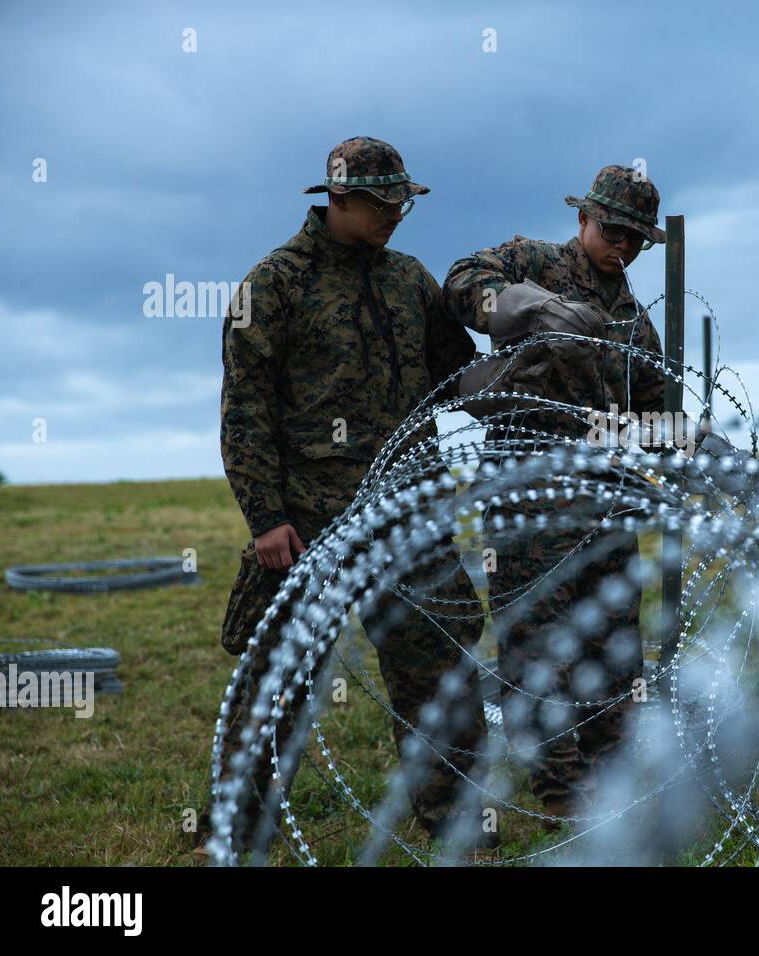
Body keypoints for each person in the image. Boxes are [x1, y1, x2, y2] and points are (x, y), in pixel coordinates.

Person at [206, 136, 488, 855]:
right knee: (278, 681)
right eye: (381, 204)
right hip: (310, 523)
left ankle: (458, 818)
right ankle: (236, 825)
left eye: (404, 203)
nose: (396, 215)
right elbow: (244, 410)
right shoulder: (274, 284)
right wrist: (266, 518)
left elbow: (458, 374)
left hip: (407, 510)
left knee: (438, 668)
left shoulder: (409, 279)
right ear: (338, 199)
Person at [442, 165, 666, 825]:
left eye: (634, 238)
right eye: (610, 230)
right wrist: (531, 306)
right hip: (529, 496)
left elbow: (653, 405)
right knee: (539, 645)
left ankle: (609, 778)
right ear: (583, 220)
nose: (620, 246)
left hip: (605, 501)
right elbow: (463, 280)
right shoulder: (531, 260)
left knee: (612, 642)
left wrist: (693, 436)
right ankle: (560, 791)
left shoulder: (630, 315)